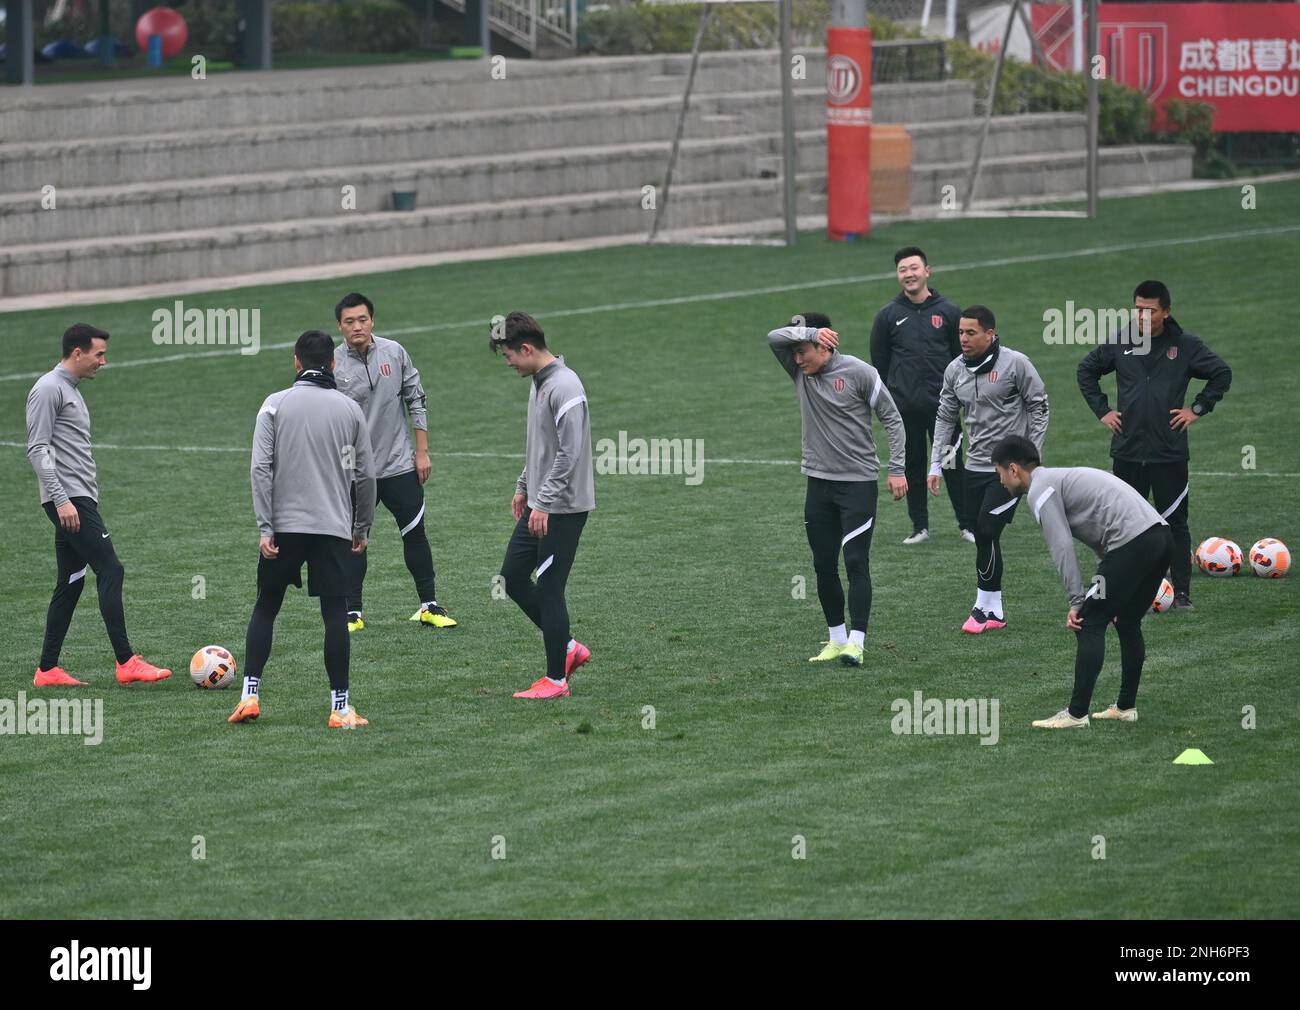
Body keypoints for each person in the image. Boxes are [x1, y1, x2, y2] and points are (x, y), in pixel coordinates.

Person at [229, 331, 376, 729]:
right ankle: (340, 708)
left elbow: (260, 468)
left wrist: (265, 526)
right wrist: (361, 526)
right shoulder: (349, 410)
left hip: (284, 529)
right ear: (332, 363)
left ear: (296, 362)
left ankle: (250, 697)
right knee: (334, 612)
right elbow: (365, 475)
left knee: (266, 605)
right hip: (332, 528)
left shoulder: (274, 405)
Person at [991, 435, 1174, 729]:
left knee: (1088, 620)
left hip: (1134, 544)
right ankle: (1125, 708)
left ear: (1013, 469)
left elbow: (1062, 546)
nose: (1000, 481)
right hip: (1161, 539)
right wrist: (1102, 587)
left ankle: (1076, 715)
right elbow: (1105, 536)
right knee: (1127, 621)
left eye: (999, 473)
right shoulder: (1059, 478)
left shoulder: (1039, 489)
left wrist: (1077, 601)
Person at [26, 324, 171, 687]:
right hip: (69, 500)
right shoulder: (48, 389)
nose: (103, 362)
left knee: (72, 581)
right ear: (78, 352)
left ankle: (47, 669)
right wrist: (62, 501)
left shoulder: (68, 389)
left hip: (77, 498)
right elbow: (37, 449)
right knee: (111, 569)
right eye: (99, 354)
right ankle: (126, 661)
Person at [1076, 280, 1231, 609]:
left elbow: (1221, 373)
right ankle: (1118, 590)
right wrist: (1103, 411)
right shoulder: (1121, 342)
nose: (1143, 316)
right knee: (1121, 524)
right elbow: (1086, 369)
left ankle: (1183, 594)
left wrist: (1198, 409)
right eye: (1138, 309)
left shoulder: (1186, 346)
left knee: (1175, 523)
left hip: (1168, 453)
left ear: (1166, 311)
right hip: (1128, 451)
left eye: (1150, 310)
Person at [768, 313, 908, 667]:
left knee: (856, 562)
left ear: (824, 346)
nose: (797, 359)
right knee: (823, 565)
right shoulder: (800, 373)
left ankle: (857, 643)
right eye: (795, 352)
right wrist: (811, 331)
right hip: (818, 486)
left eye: (803, 351)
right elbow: (773, 337)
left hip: (857, 485)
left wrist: (897, 468)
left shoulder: (860, 372)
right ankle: (836, 639)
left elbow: (892, 418)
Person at [333, 292, 456, 632]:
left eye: (362, 319)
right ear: (339, 326)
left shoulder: (395, 352)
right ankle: (352, 613)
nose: (357, 326)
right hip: (357, 472)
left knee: (416, 534)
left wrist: (422, 451)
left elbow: (415, 399)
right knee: (356, 542)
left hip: (400, 464)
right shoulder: (333, 364)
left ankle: (429, 605)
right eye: (349, 321)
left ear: (372, 320)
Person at [490, 313, 594, 699]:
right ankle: (567, 647)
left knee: (550, 589)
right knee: (512, 577)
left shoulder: (566, 387)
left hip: (562, 508)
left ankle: (556, 680)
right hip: (541, 503)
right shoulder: (539, 383)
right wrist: (523, 486)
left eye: (509, 356)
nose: (508, 363)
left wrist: (544, 502)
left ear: (528, 349)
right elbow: (542, 447)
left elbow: (570, 453)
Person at [928, 306, 1049, 634]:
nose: (963, 339)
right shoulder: (955, 370)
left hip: (1010, 471)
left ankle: (982, 606)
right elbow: (945, 415)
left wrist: (1029, 459)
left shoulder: (1016, 364)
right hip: (975, 466)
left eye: (970, 333)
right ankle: (993, 610)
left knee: (986, 530)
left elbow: (1039, 406)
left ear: (990, 334)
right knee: (982, 534)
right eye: (960, 333)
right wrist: (936, 463)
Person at [869, 246, 969, 545]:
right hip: (905, 409)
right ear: (898, 276)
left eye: (914, 268)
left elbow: (960, 356)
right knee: (912, 465)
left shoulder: (949, 312)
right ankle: (920, 527)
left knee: (953, 465)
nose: (909, 274)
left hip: (944, 409)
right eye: (903, 270)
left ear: (927, 271)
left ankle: (967, 525)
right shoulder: (887, 316)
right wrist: (893, 399)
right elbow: (880, 363)